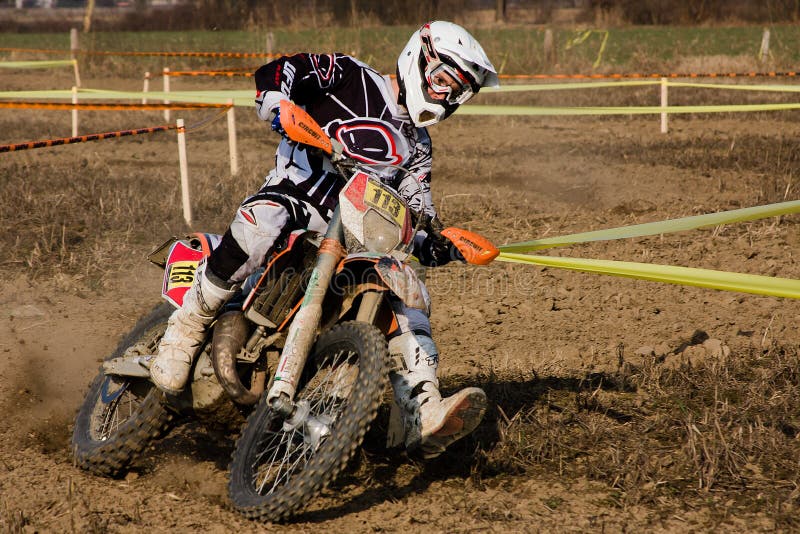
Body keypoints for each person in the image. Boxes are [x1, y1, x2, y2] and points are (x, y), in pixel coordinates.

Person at [150, 20, 499, 458]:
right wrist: (279, 103)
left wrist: (444, 244)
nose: (447, 96)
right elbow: (282, 70)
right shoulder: (351, 76)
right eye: (445, 80)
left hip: (353, 240)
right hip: (295, 200)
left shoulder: (419, 147)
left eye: (460, 91)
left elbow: (414, 218)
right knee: (264, 221)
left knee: (410, 291)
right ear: (420, 57)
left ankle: (422, 407)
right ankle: (186, 327)